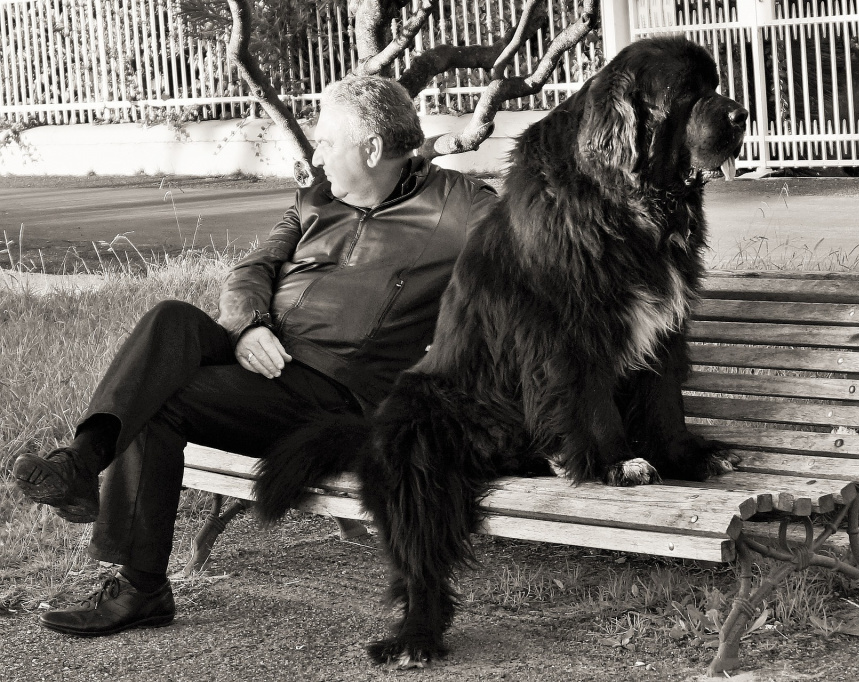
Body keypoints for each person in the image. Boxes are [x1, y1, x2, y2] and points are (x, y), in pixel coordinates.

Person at [13, 75, 499, 637]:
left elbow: (539, 253)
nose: (316, 155)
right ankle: (79, 464)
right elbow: (252, 269)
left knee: (161, 402)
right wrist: (248, 325)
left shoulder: (461, 211)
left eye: (327, 142)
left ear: (370, 148)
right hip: (261, 353)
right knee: (172, 316)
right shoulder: (317, 198)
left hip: (330, 389)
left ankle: (139, 586)